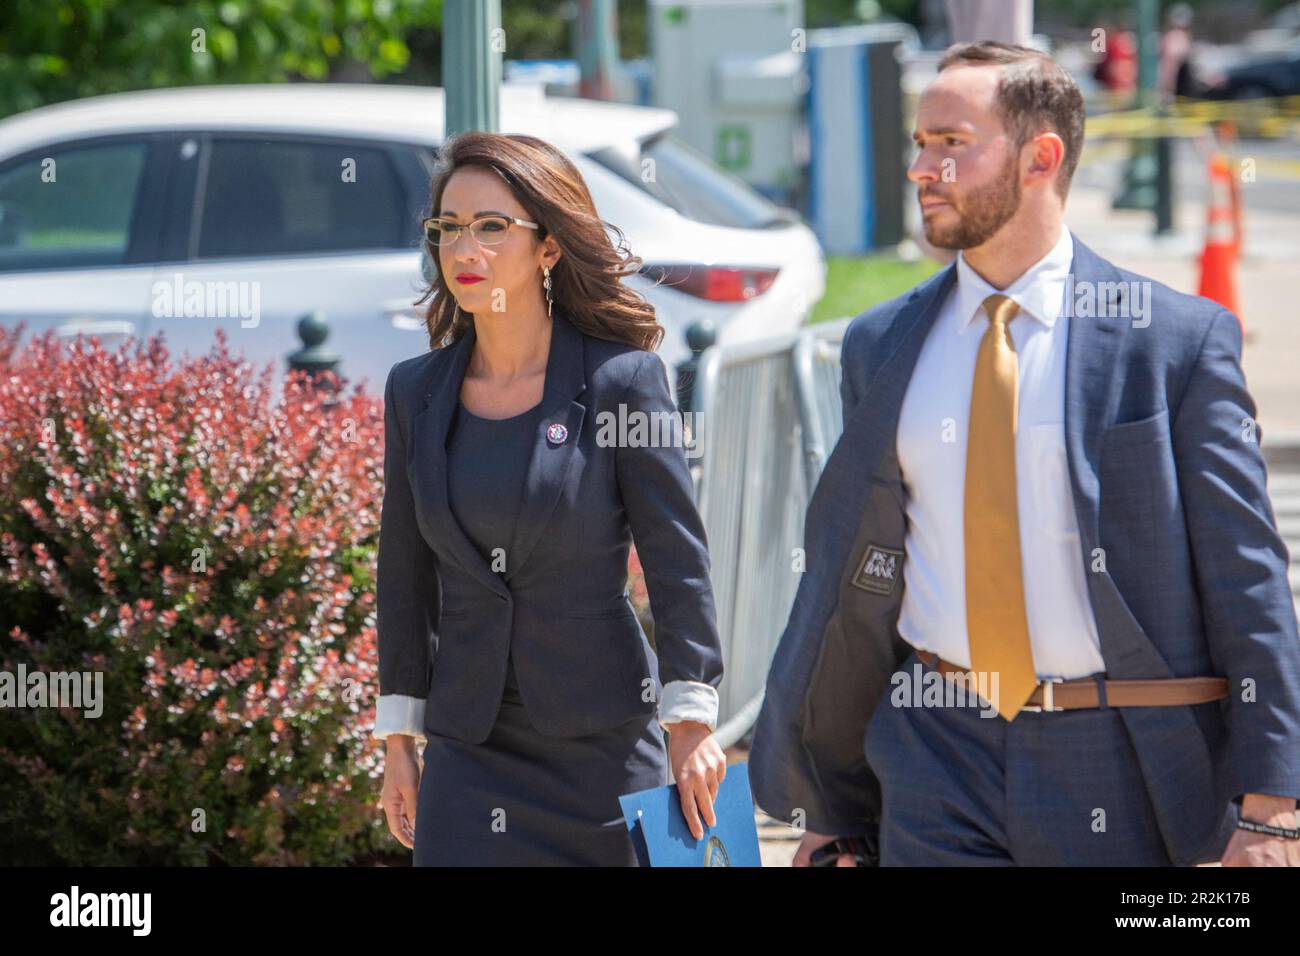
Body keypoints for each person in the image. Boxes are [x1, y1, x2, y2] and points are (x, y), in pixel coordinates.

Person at [750, 41, 1300, 866]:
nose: (923, 168)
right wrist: (831, 801)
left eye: (951, 144)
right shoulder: (879, 345)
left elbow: (1247, 579)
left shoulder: (1175, 344)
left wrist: (1271, 807)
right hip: (936, 749)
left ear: (1041, 157)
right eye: (920, 143)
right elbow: (859, 583)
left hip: (1126, 753)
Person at [374, 131, 726, 865]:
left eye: (492, 226)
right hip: (469, 748)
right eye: (448, 227)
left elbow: (676, 559)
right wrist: (398, 739)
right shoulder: (416, 393)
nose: (464, 248)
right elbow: (403, 571)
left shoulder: (622, 381)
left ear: (549, 247)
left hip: (600, 752)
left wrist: (690, 716)